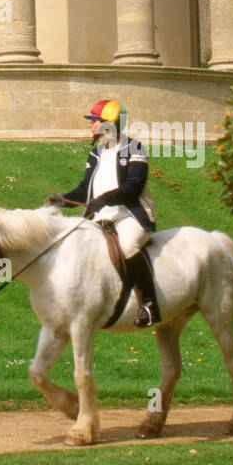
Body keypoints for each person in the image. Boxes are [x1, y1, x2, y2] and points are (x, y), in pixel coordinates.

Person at [48, 98, 160, 327]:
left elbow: (132, 188)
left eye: (94, 121)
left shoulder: (134, 148)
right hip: (101, 218)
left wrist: (102, 200)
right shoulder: (96, 154)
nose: (90, 125)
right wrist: (62, 200)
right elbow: (84, 191)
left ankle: (149, 305)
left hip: (131, 216)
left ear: (110, 124)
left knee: (128, 247)